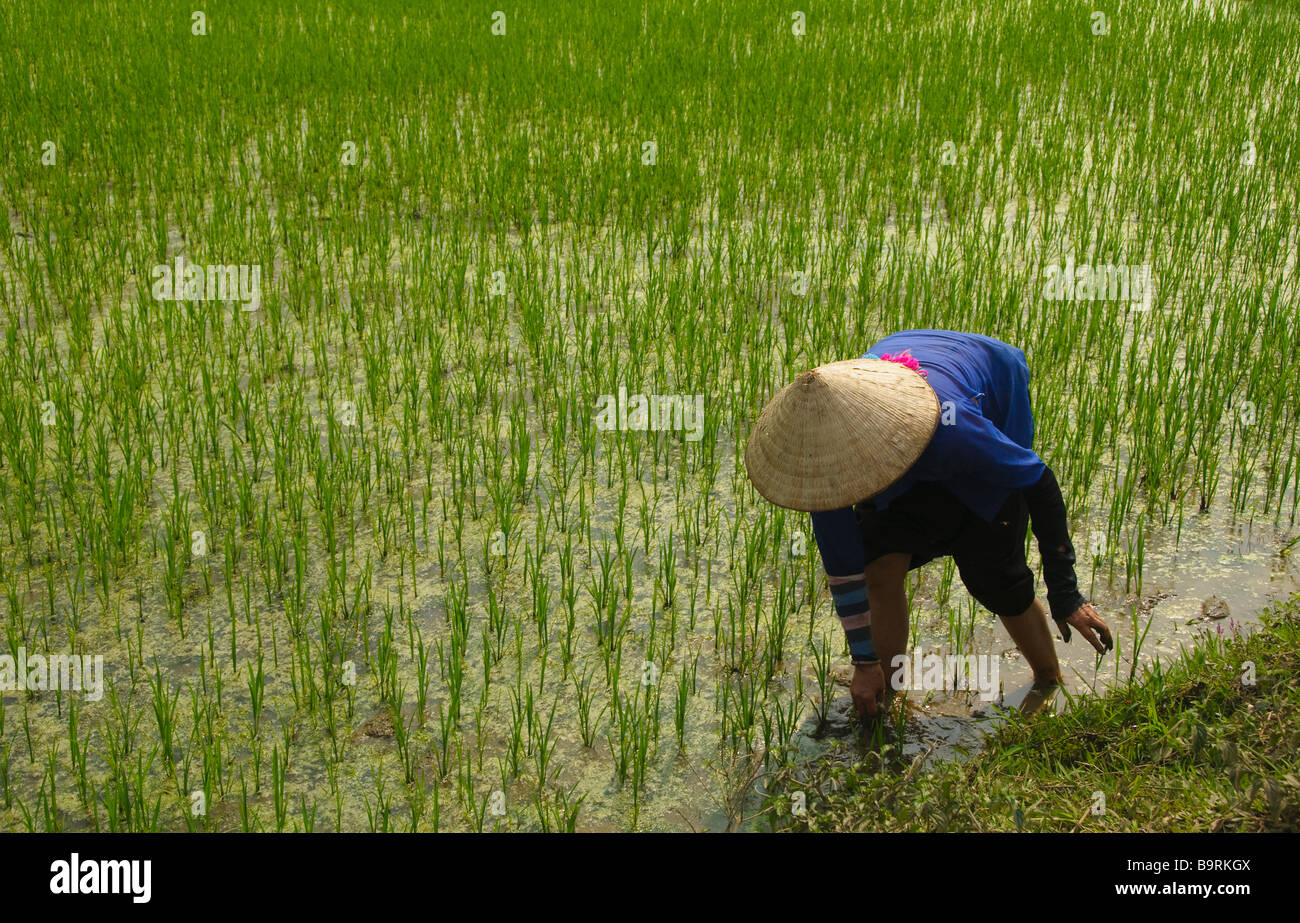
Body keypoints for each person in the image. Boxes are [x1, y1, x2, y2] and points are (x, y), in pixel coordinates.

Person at [744, 329, 1113, 719]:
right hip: (914, 436)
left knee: (997, 577)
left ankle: (1048, 685)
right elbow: (845, 566)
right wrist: (863, 663)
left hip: (975, 406)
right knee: (878, 568)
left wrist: (1066, 594)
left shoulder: (955, 429)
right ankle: (884, 694)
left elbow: (1037, 480)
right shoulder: (829, 461)